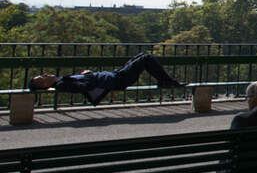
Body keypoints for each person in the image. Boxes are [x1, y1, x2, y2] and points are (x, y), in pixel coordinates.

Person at [27, 52, 186, 106]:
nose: (45, 75)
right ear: (44, 85)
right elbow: (86, 86)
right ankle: (166, 81)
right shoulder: (62, 84)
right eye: (42, 78)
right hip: (117, 81)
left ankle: (165, 80)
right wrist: (88, 74)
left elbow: (85, 82)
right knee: (146, 58)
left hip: (115, 75)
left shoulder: (62, 80)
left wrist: (86, 74)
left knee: (141, 56)